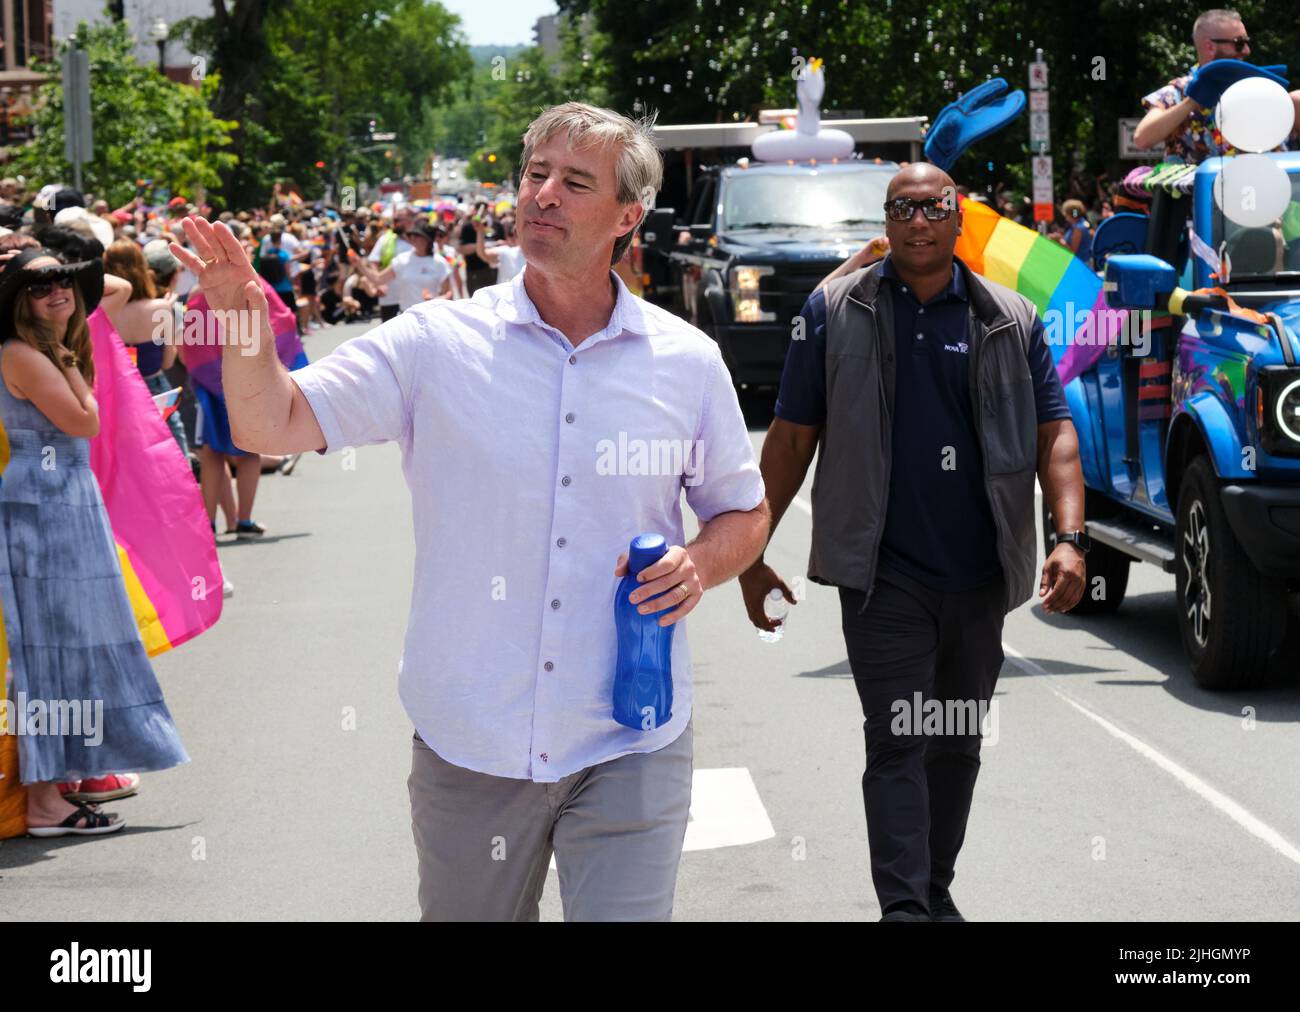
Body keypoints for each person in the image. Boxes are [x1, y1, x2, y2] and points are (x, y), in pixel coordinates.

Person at [171, 101, 770, 922]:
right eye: (535, 175)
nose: (543, 195)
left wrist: (698, 565)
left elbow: (742, 511)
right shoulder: (435, 343)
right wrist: (241, 310)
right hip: (472, 744)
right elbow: (267, 424)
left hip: (631, 736)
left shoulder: (686, 361)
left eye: (575, 182)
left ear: (627, 217)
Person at [739, 163, 1087, 922]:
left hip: (980, 575)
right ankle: (903, 909)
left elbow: (1052, 432)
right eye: (903, 209)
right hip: (882, 576)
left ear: (957, 217)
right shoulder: (834, 311)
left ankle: (930, 890)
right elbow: (792, 437)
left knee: (955, 743)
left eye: (933, 208)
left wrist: (1069, 537)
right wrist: (751, 551)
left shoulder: (1009, 317)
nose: (918, 222)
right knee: (898, 739)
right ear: (886, 220)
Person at [0, 248, 189, 837]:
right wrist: (74, 364)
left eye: (63, 279)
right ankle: (44, 801)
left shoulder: (47, 348)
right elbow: (86, 422)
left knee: (73, 646)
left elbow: (103, 287)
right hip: (42, 500)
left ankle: (58, 785)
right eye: (39, 284)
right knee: (46, 652)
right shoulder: (23, 354)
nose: (57, 290)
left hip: (62, 495)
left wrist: (68, 334)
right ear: (16, 300)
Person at [1133, 8, 1300, 162]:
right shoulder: (1177, 92)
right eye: (1239, 43)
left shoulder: (1259, 87)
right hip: (1203, 193)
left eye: (1247, 42)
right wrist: (1191, 103)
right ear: (1210, 47)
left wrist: (1291, 101)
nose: (1247, 50)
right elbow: (1142, 139)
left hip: (1269, 188)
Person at [102, 238, 189, 458]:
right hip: (156, 389)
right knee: (173, 456)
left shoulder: (101, 311)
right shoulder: (160, 308)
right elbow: (168, 362)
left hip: (118, 392)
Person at [356, 219, 452, 313]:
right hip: (407, 316)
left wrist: (435, 300)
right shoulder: (402, 260)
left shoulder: (439, 262)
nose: (412, 238)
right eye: (411, 235)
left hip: (431, 315)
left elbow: (448, 294)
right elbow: (378, 279)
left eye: (417, 235)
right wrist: (359, 264)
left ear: (427, 240)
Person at [474, 219, 526, 285]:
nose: (516, 236)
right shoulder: (506, 251)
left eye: (521, 232)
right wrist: (480, 231)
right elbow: (482, 254)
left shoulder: (538, 257)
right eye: (514, 233)